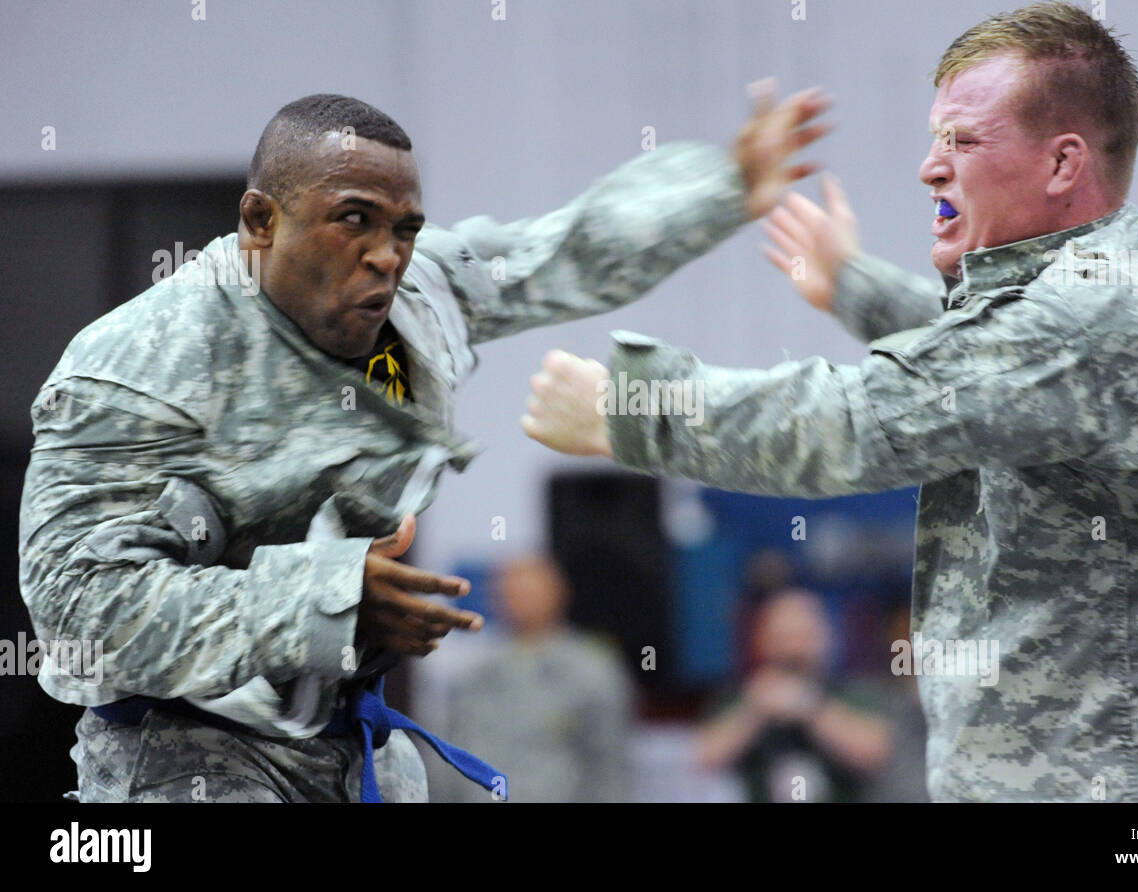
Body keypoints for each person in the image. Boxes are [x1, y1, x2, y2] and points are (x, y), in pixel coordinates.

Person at [520, 2, 1138, 802]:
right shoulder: (1081, 298)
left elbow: (865, 419)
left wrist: (635, 407)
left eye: (962, 141)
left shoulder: (1097, 310)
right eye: (936, 138)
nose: (930, 166)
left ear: (1063, 165)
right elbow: (988, 369)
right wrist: (855, 288)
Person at [18, 87, 831, 802]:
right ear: (261, 221)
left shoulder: (412, 301)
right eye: (353, 221)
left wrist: (719, 188)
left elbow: (555, 252)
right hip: (180, 752)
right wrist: (323, 598)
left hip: (346, 743)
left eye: (405, 228)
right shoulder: (135, 365)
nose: (385, 253)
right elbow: (76, 609)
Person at [430, 556, 631, 802]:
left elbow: (611, 764)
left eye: (530, 592)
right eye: (511, 592)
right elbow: (446, 756)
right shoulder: (472, 676)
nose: (521, 601)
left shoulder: (592, 671)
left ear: (559, 593)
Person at [696, 589, 893, 803]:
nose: (794, 648)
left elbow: (876, 754)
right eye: (783, 637)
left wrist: (811, 708)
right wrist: (754, 711)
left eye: (804, 636)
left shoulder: (852, 692)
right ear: (762, 640)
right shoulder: (742, 695)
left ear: (825, 637)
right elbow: (705, 757)